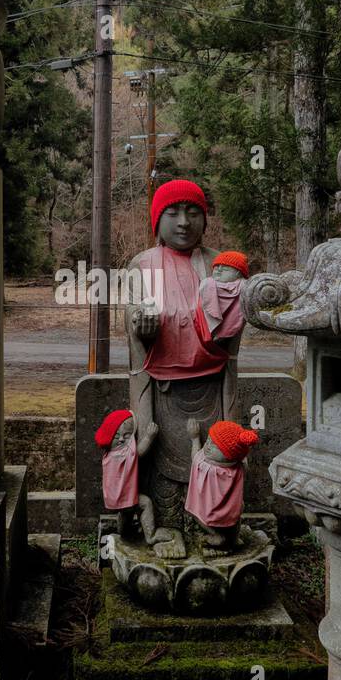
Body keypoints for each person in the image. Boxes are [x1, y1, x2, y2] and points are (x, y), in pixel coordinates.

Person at [125, 180, 242, 547]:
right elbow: (136, 313)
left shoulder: (218, 264)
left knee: (214, 459)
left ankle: (214, 525)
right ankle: (169, 525)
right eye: (172, 213)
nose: (183, 222)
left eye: (193, 213)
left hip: (211, 381)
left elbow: (235, 314)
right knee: (166, 459)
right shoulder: (145, 265)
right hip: (163, 386)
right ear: (157, 220)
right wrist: (140, 324)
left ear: (204, 220)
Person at [185, 418, 259, 551]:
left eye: (214, 446)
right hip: (231, 512)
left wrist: (195, 438)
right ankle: (234, 538)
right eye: (208, 440)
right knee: (238, 511)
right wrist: (240, 449)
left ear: (228, 455)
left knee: (193, 510)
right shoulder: (239, 467)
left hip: (209, 512)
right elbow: (242, 458)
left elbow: (195, 455)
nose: (207, 446)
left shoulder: (206, 466)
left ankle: (216, 535)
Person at [95, 408, 162, 543]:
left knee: (126, 513)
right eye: (116, 436)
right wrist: (149, 436)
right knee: (146, 504)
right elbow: (139, 452)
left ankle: (124, 533)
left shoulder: (108, 454)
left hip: (115, 499)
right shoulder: (122, 454)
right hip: (124, 497)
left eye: (126, 436)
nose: (120, 439)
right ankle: (151, 536)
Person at [194, 250, 249, 350]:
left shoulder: (244, 287)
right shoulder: (206, 285)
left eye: (225, 269)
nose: (219, 270)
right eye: (216, 267)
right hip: (200, 328)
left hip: (228, 336)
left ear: (238, 273)